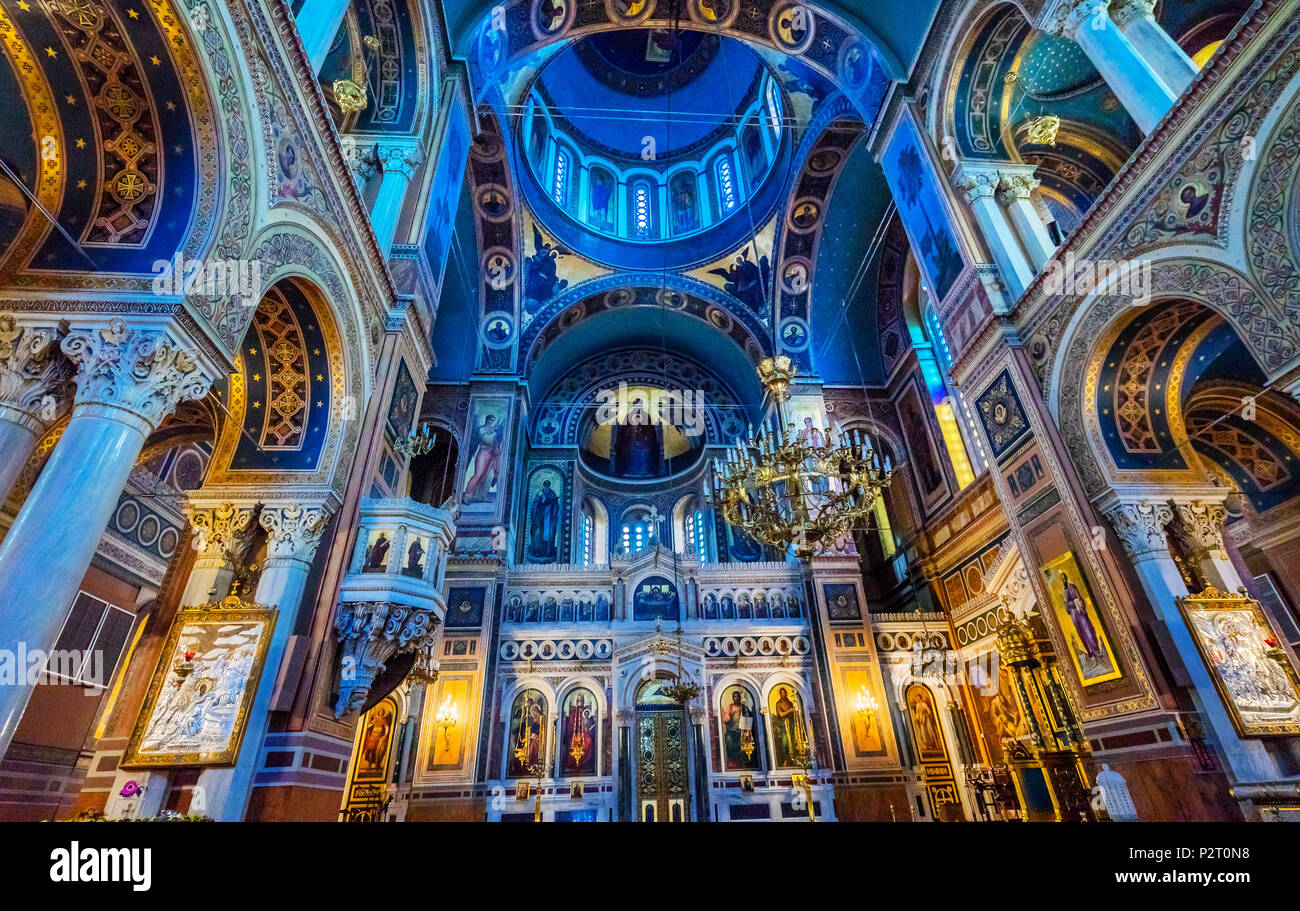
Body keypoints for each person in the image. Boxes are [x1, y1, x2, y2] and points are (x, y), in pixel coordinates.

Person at [463, 413, 502, 503]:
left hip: (492, 455)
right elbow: (487, 440)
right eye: (490, 420)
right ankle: (467, 496)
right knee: (478, 475)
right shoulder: (482, 429)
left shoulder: (493, 431)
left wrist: (497, 449)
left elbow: (495, 444)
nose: (492, 422)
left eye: (493, 421)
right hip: (483, 454)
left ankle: (482, 495)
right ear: (487, 420)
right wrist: (493, 434)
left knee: (489, 476)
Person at [772, 687, 805, 765]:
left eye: (784, 692)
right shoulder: (779, 703)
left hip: (792, 724)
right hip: (783, 725)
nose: (783, 694)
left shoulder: (789, 702)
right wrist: (790, 710)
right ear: (780, 694)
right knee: (785, 742)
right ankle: (785, 759)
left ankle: (794, 758)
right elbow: (781, 714)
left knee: (793, 741)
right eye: (782, 693)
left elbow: (794, 712)